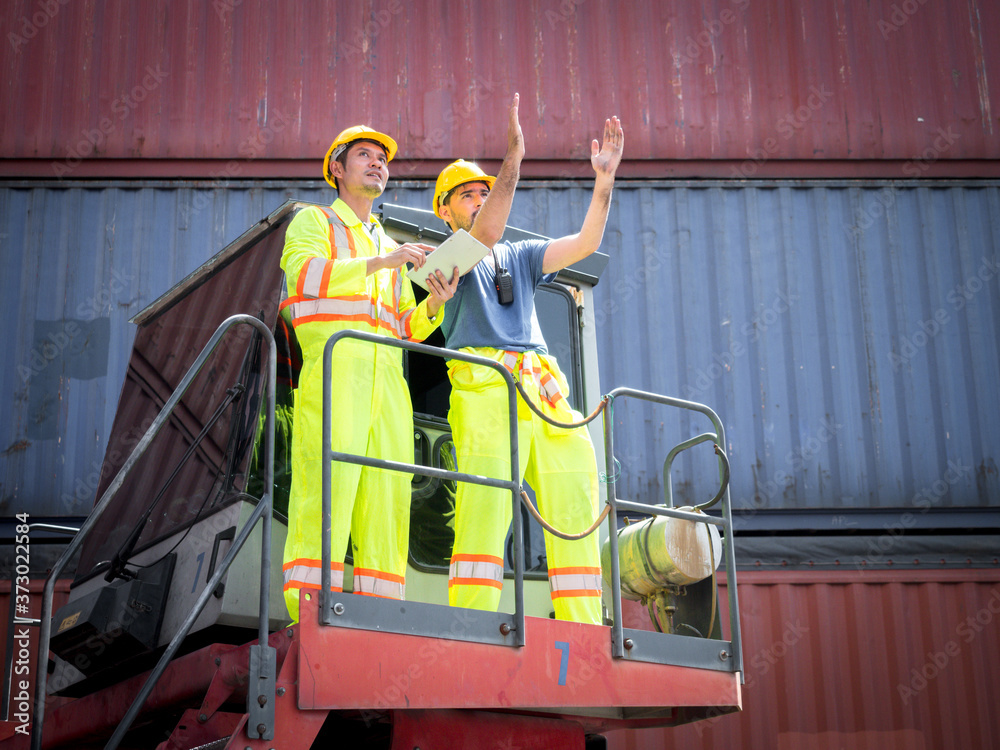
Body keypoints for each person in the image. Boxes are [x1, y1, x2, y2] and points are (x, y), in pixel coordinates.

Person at [436, 114, 624, 625]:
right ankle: (472, 623)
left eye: (485, 192)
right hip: (486, 389)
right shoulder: (441, 260)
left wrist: (604, 182)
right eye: (467, 195)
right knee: (486, 505)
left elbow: (584, 244)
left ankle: (583, 625)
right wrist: (513, 162)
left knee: (575, 493)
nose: (480, 200)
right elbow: (485, 233)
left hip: (542, 386)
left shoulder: (519, 256)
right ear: (445, 212)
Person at [278, 124, 460, 621]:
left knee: (387, 500)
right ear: (336, 169)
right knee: (326, 490)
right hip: (337, 375)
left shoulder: (385, 242)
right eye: (365, 155)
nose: (378, 163)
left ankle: (381, 615)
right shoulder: (314, 222)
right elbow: (302, 275)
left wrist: (434, 304)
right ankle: (308, 608)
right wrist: (383, 261)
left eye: (383, 158)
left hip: (389, 388)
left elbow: (404, 327)